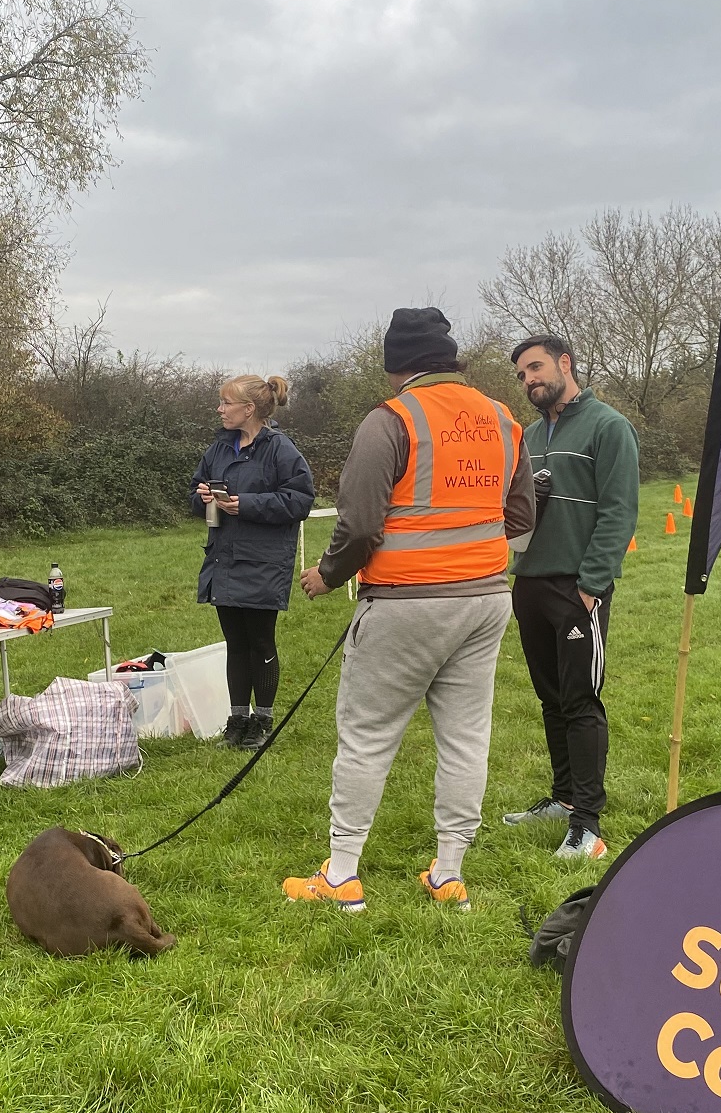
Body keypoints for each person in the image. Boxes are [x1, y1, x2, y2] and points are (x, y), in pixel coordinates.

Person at [287, 307, 534, 912]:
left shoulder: (390, 419)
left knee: (368, 736)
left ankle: (341, 874)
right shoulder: (503, 418)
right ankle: (448, 873)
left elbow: (361, 522)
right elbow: (523, 518)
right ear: (453, 361)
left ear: (396, 366)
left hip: (404, 602)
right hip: (485, 601)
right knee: (466, 739)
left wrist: (327, 574)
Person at [501, 335, 639, 860]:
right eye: (521, 375)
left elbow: (620, 510)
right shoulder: (528, 436)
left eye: (535, 367)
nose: (529, 379)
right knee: (550, 697)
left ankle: (588, 825)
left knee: (580, 700)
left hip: (579, 587)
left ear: (565, 363)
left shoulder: (609, 426)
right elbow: (515, 513)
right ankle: (562, 799)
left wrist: (591, 583)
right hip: (530, 582)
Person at [190, 375, 315, 749]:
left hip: (264, 562)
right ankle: (237, 720)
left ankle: (262, 723)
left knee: (260, 642)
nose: (219, 409)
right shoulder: (218, 448)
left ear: (249, 409)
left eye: (226, 403)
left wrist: (246, 504)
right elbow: (196, 494)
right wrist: (204, 498)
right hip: (224, 560)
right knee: (235, 643)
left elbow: (300, 500)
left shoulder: (280, 449)